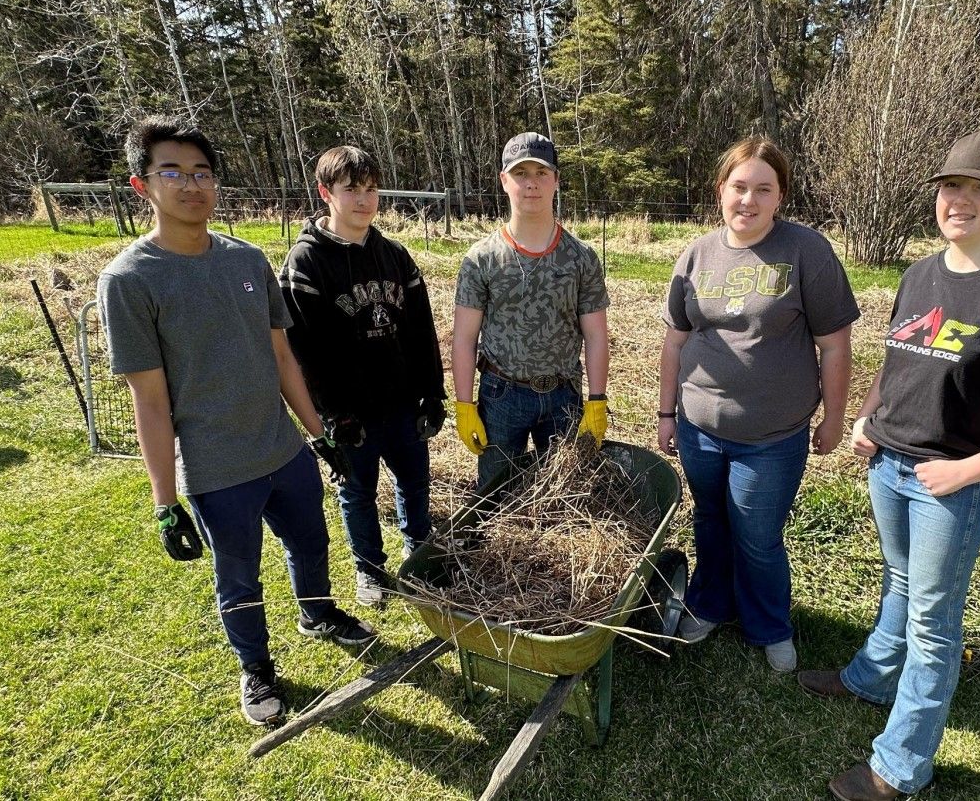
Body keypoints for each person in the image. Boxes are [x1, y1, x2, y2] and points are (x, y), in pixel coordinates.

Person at [797, 130, 980, 801]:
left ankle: (900, 768)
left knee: (934, 623)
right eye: (951, 186)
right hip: (889, 468)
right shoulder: (920, 274)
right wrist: (869, 419)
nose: (960, 199)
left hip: (948, 490)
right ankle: (869, 680)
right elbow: (901, 359)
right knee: (900, 584)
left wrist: (967, 473)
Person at [97, 116, 376, 728]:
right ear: (142, 185)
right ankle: (256, 667)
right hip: (217, 468)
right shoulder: (129, 281)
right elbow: (149, 400)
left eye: (202, 173)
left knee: (311, 542)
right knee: (239, 575)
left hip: (283, 450)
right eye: (172, 172)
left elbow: (281, 357)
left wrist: (317, 435)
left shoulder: (247, 260)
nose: (191, 185)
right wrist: (165, 501)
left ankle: (319, 613)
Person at [657, 136, 859, 673]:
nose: (748, 200)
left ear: (780, 197)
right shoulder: (698, 253)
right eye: (739, 186)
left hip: (773, 436)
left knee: (758, 537)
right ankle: (709, 604)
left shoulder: (804, 252)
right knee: (709, 522)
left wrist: (834, 418)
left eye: (762, 190)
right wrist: (666, 415)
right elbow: (676, 340)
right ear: (721, 189)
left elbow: (834, 343)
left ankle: (769, 624)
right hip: (700, 428)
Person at [279, 145, 446, 606]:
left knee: (414, 483)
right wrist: (331, 415)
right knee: (357, 493)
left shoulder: (395, 257)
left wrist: (432, 393)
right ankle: (369, 569)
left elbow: (421, 331)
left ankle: (419, 553)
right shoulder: (306, 265)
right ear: (325, 193)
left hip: (400, 401)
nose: (364, 200)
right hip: (351, 413)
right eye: (351, 189)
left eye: (371, 188)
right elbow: (302, 351)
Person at [452, 132, 610, 485]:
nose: (531, 183)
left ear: (556, 180)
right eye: (521, 173)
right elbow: (464, 339)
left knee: (562, 494)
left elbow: (596, 334)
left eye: (541, 173)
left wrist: (596, 400)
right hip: (501, 395)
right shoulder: (482, 259)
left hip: (563, 396)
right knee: (495, 495)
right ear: (504, 181)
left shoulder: (580, 257)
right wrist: (464, 406)